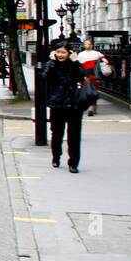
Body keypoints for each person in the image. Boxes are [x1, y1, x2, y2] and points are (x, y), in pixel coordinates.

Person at [40, 41, 88, 173]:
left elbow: (84, 75)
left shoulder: (74, 65)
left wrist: (76, 61)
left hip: (74, 105)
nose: (61, 55)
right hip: (57, 104)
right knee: (57, 134)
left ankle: (73, 163)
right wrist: (52, 62)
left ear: (69, 53)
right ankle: (56, 157)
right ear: (54, 53)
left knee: (74, 135)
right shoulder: (51, 65)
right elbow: (44, 77)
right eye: (58, 52)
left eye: (63, 52)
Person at [76, 39, 108, 116]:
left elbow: (77, 64)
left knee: (86, 90)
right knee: (94, 91)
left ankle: (87, 107)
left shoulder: (80, 54)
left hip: (85, 75)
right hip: (94, 75)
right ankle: (92, 107)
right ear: (91, 45)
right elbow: (106, 61)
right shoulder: (97, 53)